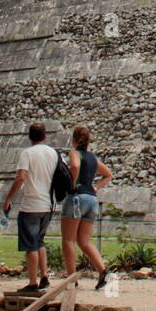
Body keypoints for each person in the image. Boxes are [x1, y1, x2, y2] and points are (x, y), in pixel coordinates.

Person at [2, 123, 59, 293]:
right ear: (45, 136)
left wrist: (8, 198)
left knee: (31, 246)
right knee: (40, 241)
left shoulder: (27, 153)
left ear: (29, 136)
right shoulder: (54, 153)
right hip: (49, 204)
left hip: (31, 205)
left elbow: (21, 177)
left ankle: (33, 282)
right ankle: (44, 276)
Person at [60, 125, 112, 291]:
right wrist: (96, 187)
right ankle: (103, 270)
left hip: (77, 197)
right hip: (91, 199)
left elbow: (74, 166)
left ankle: (71, 278)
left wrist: (71, 184)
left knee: (68, 240)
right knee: (84, 241)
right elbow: (108, 174)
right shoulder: (92, 157)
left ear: (74, 140)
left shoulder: (74, 153)